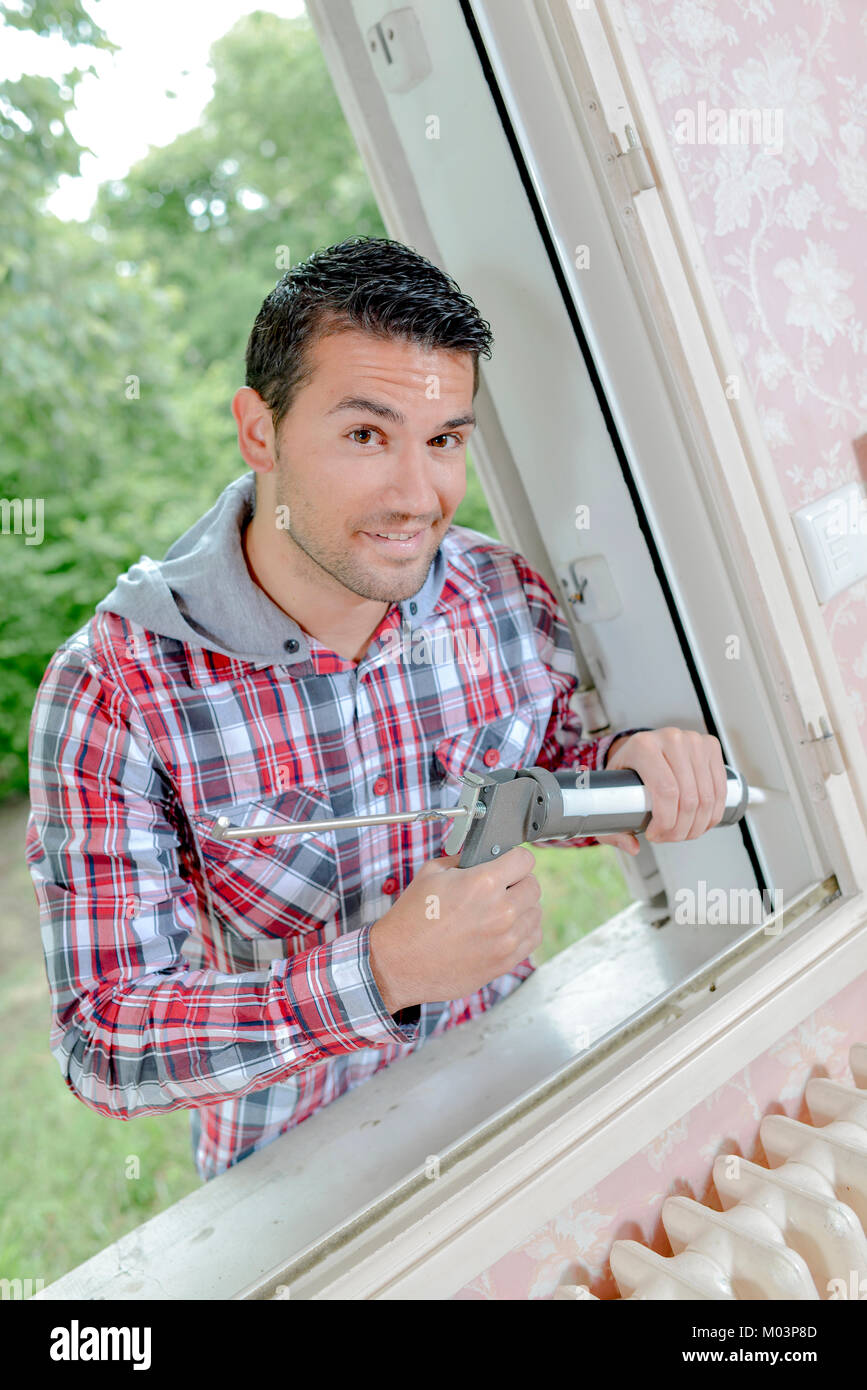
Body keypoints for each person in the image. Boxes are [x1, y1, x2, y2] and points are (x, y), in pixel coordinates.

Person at [25, 236, 728, 1182]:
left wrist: (639, 761)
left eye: (443, 441)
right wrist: (380, 975)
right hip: (305, 1180)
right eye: (366, 434)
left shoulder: (502, 595)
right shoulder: (117, 686)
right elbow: (105, 1042)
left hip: (517, 1093)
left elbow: (551, 774)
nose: (416, 495)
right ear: (259, 430)